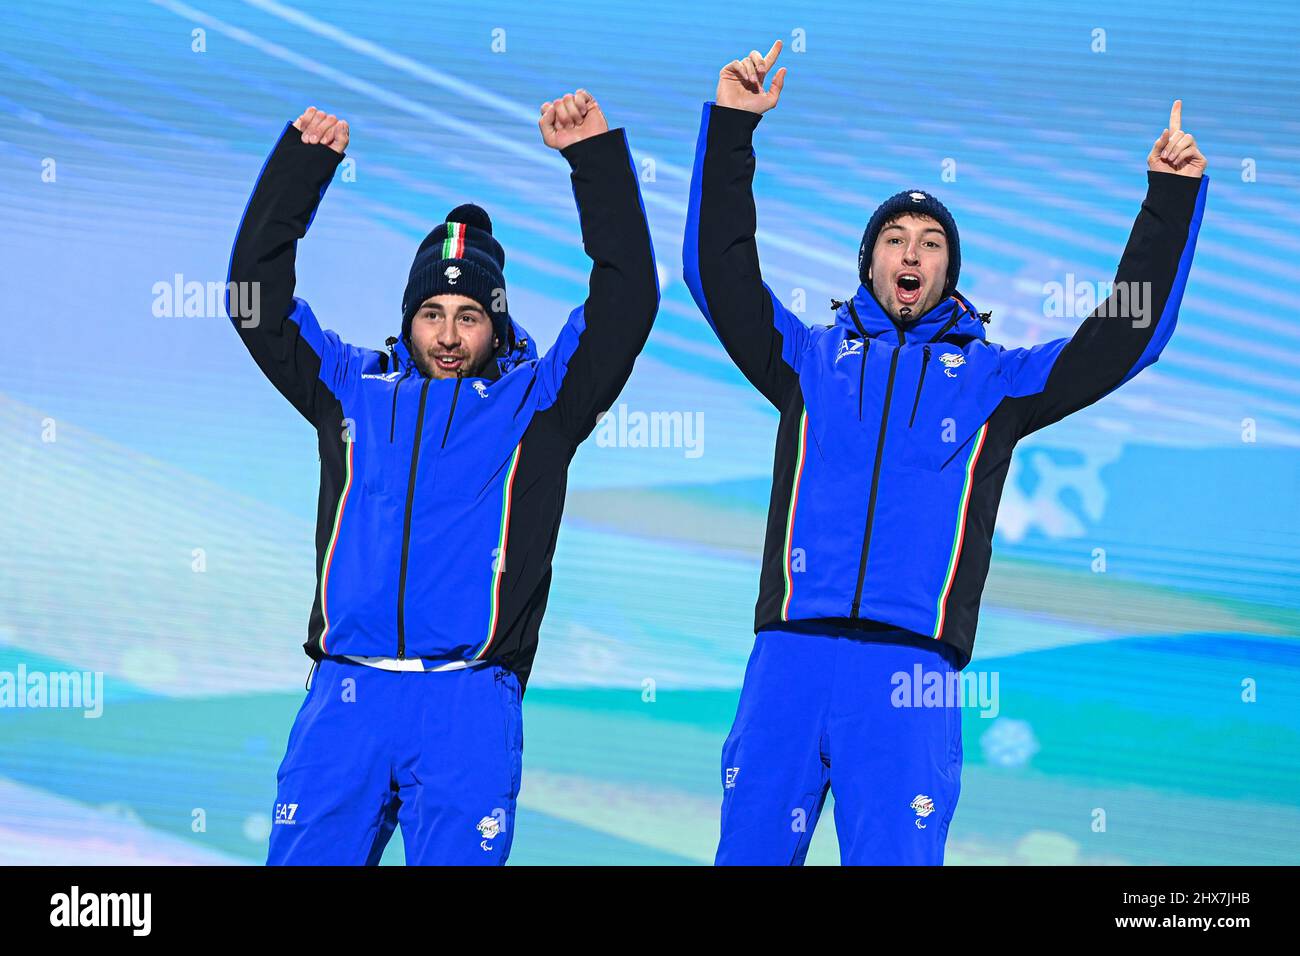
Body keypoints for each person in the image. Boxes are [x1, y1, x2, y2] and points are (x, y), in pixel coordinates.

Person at [683, 40, 1207, 865]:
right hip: (791, 656)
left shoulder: (992, 384)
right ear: (870, 262)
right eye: (894, 237)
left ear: (948, 270)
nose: (912, 252)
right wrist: (733, 132)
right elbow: (719, 275)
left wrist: (1169, 204)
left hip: (911, 673)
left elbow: (1121, 338)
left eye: (931, 241)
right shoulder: (809, 360)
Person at [227, 92, 659, 865]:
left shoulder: (540, 406)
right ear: (408, 317)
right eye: (432, 312)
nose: (450, 335)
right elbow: (253, 303)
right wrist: (301, 171)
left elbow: (626, 303)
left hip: (468, 699)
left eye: (469, 315)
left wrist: (593, 160)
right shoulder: (350, 388)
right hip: (345, 697)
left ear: (496, 322)